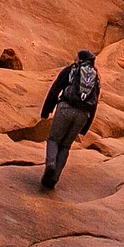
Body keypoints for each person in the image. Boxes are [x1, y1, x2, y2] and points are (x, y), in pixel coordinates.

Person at [39, 48, 100, 189]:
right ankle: (54, 178)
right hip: (83, 115)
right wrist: (85, 128)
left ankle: (50, 164)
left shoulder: (72, 70)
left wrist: (46, 111)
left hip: (66, 107)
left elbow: (55, 88)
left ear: (80, 59)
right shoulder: (95, 77)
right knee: (65, 146)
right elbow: (95, 101)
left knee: (54, 139)